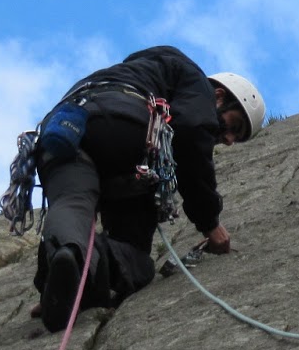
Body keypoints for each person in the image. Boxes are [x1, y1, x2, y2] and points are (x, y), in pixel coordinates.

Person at [30, 45, 264, 331]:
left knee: (71, 202)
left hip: (64, 128)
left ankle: (65, 264)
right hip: (124, 128)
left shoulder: (129, 71)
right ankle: (81, 268)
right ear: (218, 96)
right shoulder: (196, 82)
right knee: (136, 259)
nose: (228, 140)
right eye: (233, 127)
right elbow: (191, 133)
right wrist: (209, 223)